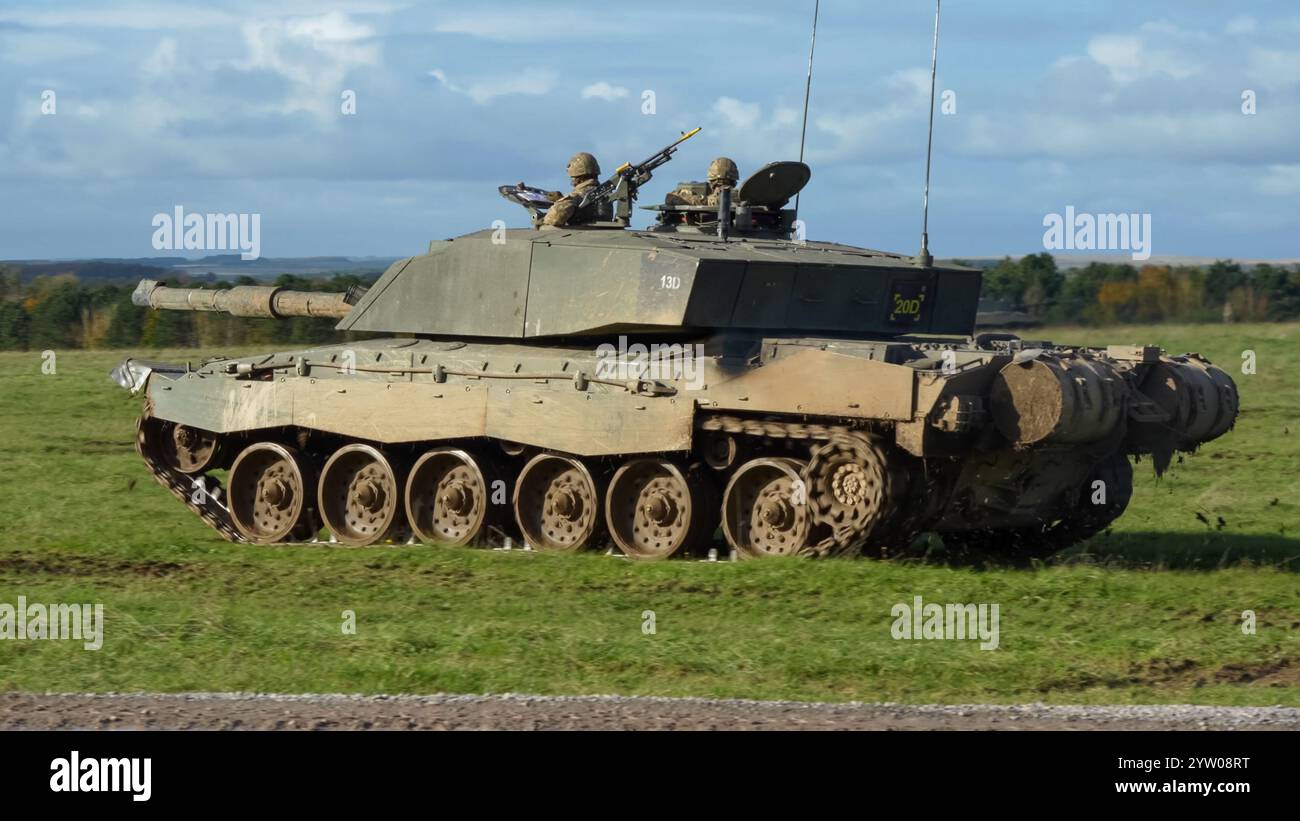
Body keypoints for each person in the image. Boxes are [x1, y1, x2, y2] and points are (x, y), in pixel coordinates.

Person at [539, 152, 603, 227]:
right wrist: (560, 199)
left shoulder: (578, 194)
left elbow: (555, 218)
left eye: (572, 177)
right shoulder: (602, 191)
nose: (571, 179)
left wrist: (543, 220)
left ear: (578, 176)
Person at [666, 157, 739, 207]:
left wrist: (683, 197)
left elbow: (712, 201)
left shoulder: (727, 195)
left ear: (712, 179)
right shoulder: (739, 194)